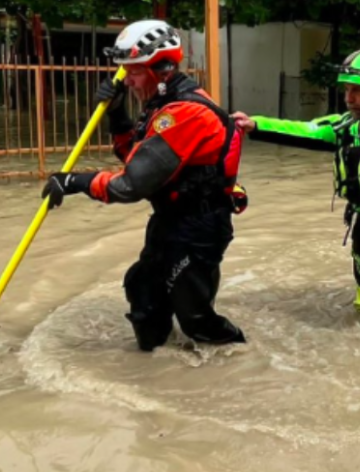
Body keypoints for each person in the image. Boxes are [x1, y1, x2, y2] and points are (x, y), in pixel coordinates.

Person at [41, 19, 248, 351]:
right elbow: (132, 158)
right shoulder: (159, 106)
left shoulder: (185, 112)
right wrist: (118, 114)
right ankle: (155, 369)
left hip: (198, 227)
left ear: (163, 69)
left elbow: (130, 185)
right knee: (144, 291)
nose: (126, 80)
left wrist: (74, 181)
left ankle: (244, 362)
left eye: (133, 72)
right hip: (169, 219)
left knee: (195, 318)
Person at [232, 49, 360, 335]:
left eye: (357, 90)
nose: (348, 97)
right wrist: (256, 124)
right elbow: (308, 130)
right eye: (346, 89)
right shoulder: (348, 126)